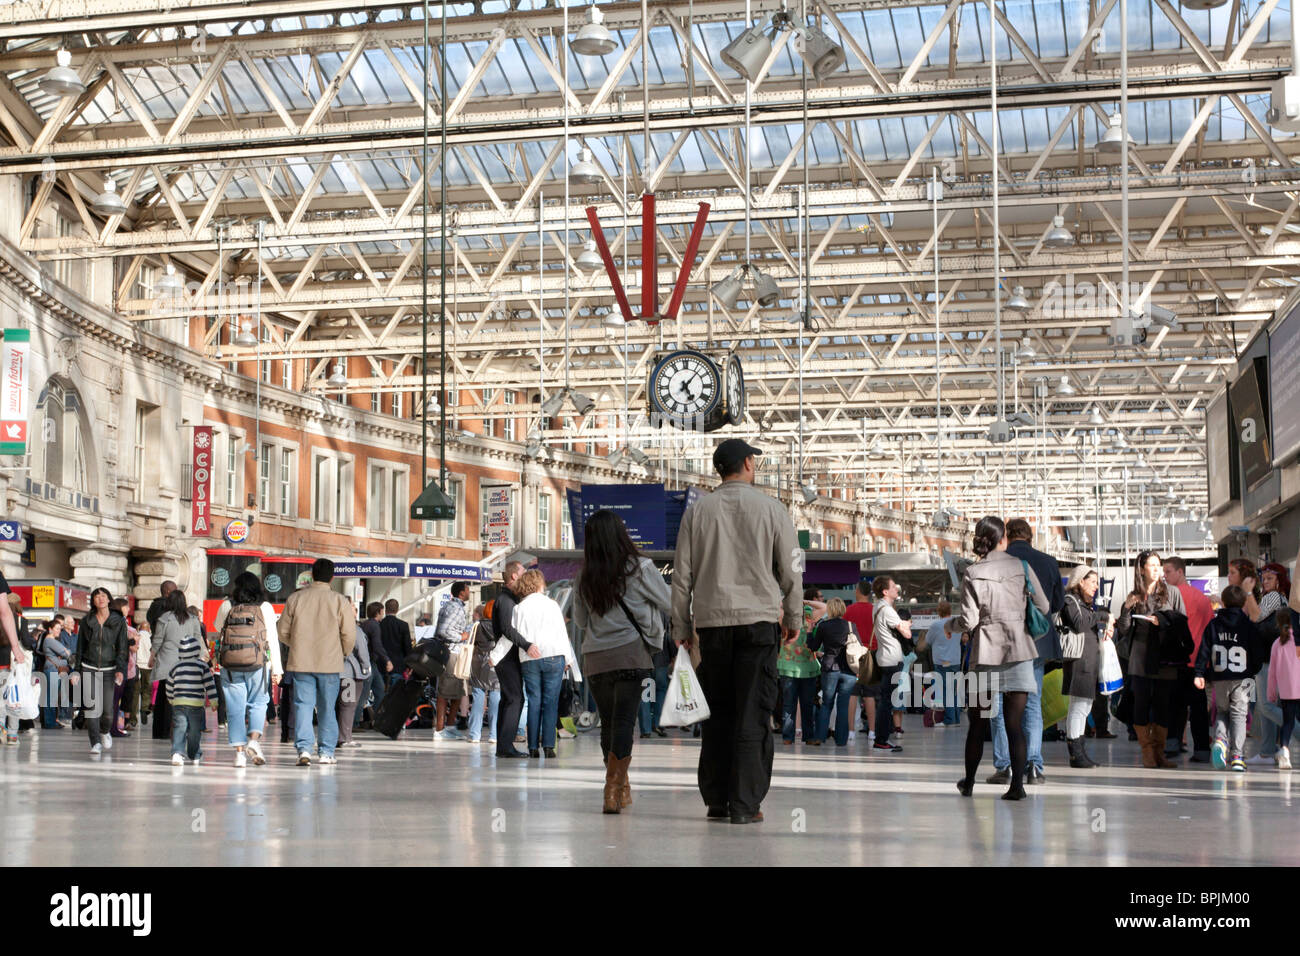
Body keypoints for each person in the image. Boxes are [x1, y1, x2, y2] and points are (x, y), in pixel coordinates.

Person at [672, 439, 800, 825]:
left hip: (712, 626)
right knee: (752, 714)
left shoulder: (696, 513)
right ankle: (745, 804)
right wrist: (793, 619)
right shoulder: (773, 510)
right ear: (747, 463)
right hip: (759, 625)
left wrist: (682, 626)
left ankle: (716, 800)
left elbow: (682, 576)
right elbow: (792, 571)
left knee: (717, 713)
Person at [573, 509, 671, 811]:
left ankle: (617, 788)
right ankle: (613, 789)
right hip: (631, 654)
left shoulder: (584, 576)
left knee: (609, 723)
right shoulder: (640, 568)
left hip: (596, 658)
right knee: (625, 723)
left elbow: (580, 621)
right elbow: (669, 602)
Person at [948, 516, 1049, 801]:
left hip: (986, 654)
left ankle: (969, 782)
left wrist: (949, 625)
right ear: (1003, 538)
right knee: (1014, 724)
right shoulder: (1021, 566)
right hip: (1019, 650)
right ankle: (1017, 786)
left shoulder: (973, 571)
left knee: (978, 724)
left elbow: (969, 621)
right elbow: (1043, 605)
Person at [995, 518, 1064, 784]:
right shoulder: (1048, 561)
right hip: (1038, 641)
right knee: (1032, 702)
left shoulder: (998, 561)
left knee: (1002, 704)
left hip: (1005, 642)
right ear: (1030, 536)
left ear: (1007, 536)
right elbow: (1055, 603)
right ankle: (1034, 765)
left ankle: (1006, 766)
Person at [278, 558, 355, 767]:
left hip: (301, 662)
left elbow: (282, 631)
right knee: (327, 708)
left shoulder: (295, 598)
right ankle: (326, 752)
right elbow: (349, 634)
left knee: (303, 706)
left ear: (312, 575)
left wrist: (296, 644)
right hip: (329, 663)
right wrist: (342, 652)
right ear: (332, 577)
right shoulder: (339, 600)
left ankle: (304, 749)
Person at [1117, 550, 1185, 769]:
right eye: (1152, 565)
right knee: (1141, 703)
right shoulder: (1134, 595)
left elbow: (1182, 622)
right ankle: (1147, 752)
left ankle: (1159, 752)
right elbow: (1124, 629)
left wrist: (1162, 621)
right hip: (1140, 654)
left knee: (1163, 704)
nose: (1157, 569)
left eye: (1159, 564)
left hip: (1165, 655)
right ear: (1141, 569)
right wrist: (1127, 608)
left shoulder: (1172, 592)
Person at [1194, 585, 1268, 772]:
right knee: (1239, 715)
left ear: (1224, 603)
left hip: (1219, 677)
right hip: (1243, 678)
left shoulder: (1213, 625)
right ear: (1243, 603)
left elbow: (1204, 650)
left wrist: (1199, 673)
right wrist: (1253, 670)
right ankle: (1237, 756)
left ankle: (1220, 739)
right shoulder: (1248, 626)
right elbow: (1258, 653)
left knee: (1221, 711)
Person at [214, 572, 283, 767]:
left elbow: (217, 627)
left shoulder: (227, 605)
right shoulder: (265, 607)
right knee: (258, 703)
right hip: (258, 664)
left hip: (230, 664)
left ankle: (239, 755)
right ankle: (253, 740)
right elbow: (272, 639)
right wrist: (277, 669)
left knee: (235, 708)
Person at [511, 569, 580, 758]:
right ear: (539, 584)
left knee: (534, 701)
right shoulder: (552, 605)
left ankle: (533, 747)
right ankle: (549, 746)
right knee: (551, 702)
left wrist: (496, 655)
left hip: (529, 658)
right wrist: (568, 658)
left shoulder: (518, 608)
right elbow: (561, 632)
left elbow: (514, 635)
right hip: (553, 655)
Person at [1059, 566, 1111, 769]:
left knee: (1084, 707)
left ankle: (1080, 751)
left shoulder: (1084, 604)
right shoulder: (1070, 601)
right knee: (1079, 708)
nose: (1096, 586)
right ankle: (1076, 754)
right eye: (1093, 582)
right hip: (1079, 662)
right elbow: (1079, 624)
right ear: (1081, 581)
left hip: (1087, 661)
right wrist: (1102, 616)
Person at [1161, 556, 1212, 762]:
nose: (1164, 576)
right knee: (1198, 708)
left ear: (1180, 572)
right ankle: (1201, 750)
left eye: (1168, 572)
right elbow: (1209, 629)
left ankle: (1172, 744)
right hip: (1198, 661)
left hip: (1175, 660)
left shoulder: (1169, 597)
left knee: (1174, 706)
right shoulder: (1201, 598)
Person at [72, 587, 129, 756]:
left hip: (109, 669)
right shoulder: (87, 621)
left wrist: (120, 669)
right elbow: (80, 647)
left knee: (108, 712)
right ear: (93, 601)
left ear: (109, 599)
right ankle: (95, 742)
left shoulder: (118, 621)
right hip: (88, 667)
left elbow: (123, 647)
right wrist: (76, 670)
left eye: (103, 596)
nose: (100, 599)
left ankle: (104, 731)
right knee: (92, 708)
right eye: (97, 596)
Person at [492, 561, 540, 758]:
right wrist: (527, 645)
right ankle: (505, 746)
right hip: (507, 659)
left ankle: (503, 746)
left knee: (509, 699)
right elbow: (507, 629)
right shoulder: (505, 600)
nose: (526, 575)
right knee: (515, 699)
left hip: (507, 658)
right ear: (514, 576)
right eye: (523, 572)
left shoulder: (508, 598)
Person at [1249, 563, 1293, 765]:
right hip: (1278, 659)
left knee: (1266, 706)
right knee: (1268, 706)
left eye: (1270, 578)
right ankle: (1267, 751)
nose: (1265, 582)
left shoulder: (1273, 596)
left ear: (1279, 580)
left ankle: (1294, 731)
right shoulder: (1283, 598)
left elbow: (1256, 616)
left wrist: (1247, 593)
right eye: (1263, 578)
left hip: (1267, 658)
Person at [807, 598, 859, 747]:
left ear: (830, 609)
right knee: (843, 706)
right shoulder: (850, 625)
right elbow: (858, 646)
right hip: (849, 671)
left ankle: (819, 737)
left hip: (830, 668)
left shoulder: (824, 626)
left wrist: (809, 632)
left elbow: (813, 647)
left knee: (826, 704)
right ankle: (841, 740)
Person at [166, 629, 217, 767]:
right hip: (196, 705)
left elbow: (169, 684)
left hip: (178, 703)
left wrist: (171, 698)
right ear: (197, 651)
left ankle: (177, 753)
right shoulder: (202, 666)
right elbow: (210, 684)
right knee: (195, 731)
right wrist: (214, 701)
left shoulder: (175, 666)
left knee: (179, 728)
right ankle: (194, 754)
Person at [871, 576, 911, 752]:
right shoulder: (887, 610)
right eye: (893, 586)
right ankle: (881, 740)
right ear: (885, 591)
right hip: (892, 659)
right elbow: (907, 634)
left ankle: (882, 738)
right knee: (887, 702)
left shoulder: (878, 607)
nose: (897, 589)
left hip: (884, 658)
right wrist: (906, 624)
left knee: (885, 700)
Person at [778, 599, 821, 745]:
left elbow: (824, 607)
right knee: (789, 704)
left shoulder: (809, 616)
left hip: (807, 668)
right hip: (789, 668)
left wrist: (804, 601)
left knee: (806, 704)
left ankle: (808, 736)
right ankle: (788, 736)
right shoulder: (785, 616)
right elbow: (777, 606)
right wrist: (791, 600)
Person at [433, 581, 472, 738]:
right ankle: (440, 729)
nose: (469, 591)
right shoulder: (455, 608)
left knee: (458, 690)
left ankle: (449, 726)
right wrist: (462, 636)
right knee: (445, 690)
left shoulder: (452, 606)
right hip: (451, 652)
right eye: (468, 589)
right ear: (461, 593)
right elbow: (443, 631)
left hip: (454, 652)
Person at [842, 580, 876, 736]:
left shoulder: (849, 610)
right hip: (871, 655)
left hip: (853, 657)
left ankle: (851, 731)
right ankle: (872, 732)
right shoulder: (875, 610)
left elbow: (843, 631)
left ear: (858, 591)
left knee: (853, 695)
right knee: (870, 695)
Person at [1266, 610, 1299, 771]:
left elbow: (1272, 672)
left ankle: (1284, 749)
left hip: (1287, 691)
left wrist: (1271, 693)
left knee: (1288, 722)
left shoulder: (1277, 644)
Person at [466, 605, 500, 745]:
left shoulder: (477, 626)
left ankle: (474, 734)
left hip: (478, 664)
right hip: (495, 664)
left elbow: (469, 642)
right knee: (495, 697)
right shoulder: (500, 627)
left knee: (478, 697)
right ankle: (494, 734)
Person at [338, 608, 371, 750]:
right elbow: (362, 650)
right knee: (348, 706)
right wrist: (366, 668)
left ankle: (336, 737)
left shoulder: (331, 627)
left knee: (336, 706)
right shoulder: (354, 629)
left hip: (332, 672)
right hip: (350, 673)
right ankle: (345, 738)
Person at [148, 581, 177, 741]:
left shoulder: (154, 607)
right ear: (168, 592)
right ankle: (166, 729)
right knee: (169, 693)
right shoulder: (167, 610)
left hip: (160, 652)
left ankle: (159, 730)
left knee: (162, 691)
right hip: (168, 653)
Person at [927, 600, 962, 727]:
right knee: (954, 691)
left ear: (939, 611)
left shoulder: (936, 625)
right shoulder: (957, 624)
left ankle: (949, 719)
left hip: (942, 662)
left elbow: (928, 640)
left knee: (946, 691)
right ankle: (956, 718)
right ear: (950, 610)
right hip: (955, 661)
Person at [36, 616, 72, 729]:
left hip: (54, 669)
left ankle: (51, 721)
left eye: (60, 629)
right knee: (51, 697)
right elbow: (67, 653)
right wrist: (65, 652)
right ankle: (49, 722)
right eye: (57, 629)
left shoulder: (52, 640)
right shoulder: (50, 640)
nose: (59, 631)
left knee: (52, 696)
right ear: (50, 629)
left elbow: (67, 651)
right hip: (52, 669)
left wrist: (66, 652)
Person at [109, 598, 136, 738]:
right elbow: (120, 643)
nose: (128, 609)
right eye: (126, 607)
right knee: (115, 698)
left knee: (113, 698)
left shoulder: (111, 619)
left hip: (113, 663)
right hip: (119, 664)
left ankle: (110, 727)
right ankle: (113, 728)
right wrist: (131, 640)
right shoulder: (119, 621)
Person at [356, 602, 385, 728]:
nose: (383, 613)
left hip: (369, 663)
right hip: (368, 663)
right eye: (382, 611)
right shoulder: (375, 625)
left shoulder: (364, 624)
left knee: (378, 689)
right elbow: (377, 645)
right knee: (366, 693)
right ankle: (355, 722)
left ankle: (376, 720)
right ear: (378, 612)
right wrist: (387, 660)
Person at [379, 598, 412, 690]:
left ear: (385, 609)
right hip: (398, 665)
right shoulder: (403, 625)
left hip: (381, 664)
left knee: (381, 693)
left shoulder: (379, 624)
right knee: (395, 693)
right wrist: (409, 665)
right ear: (397, 610)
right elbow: (407, 647)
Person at [132, 619, 152, 729]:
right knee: (146, 691)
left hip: (137, 666)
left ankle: (133, 719)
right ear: (148, 629)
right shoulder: (150, 637)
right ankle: (144, 709)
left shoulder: (137, 636)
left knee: (135, 692)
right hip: (148, 667)